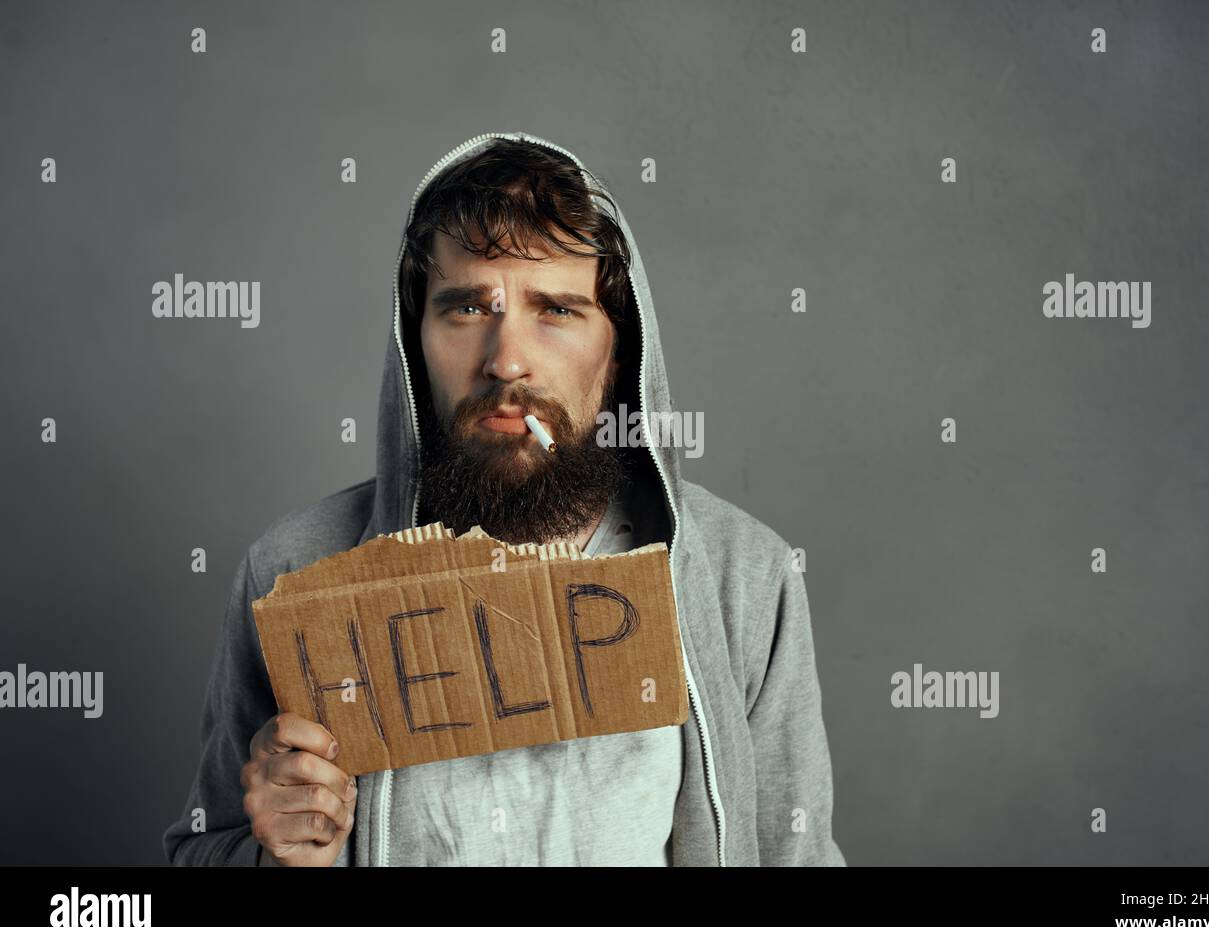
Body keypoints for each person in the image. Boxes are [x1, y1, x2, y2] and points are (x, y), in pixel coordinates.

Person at [162, 131, 846, 866]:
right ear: (414, 340)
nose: (506, 360)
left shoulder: (742, 576)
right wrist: (278, 854)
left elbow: (792, 853)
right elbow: (200, 851)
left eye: (555, 310)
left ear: (618, 354)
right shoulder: (293, 571)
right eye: (465, 308)